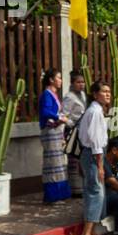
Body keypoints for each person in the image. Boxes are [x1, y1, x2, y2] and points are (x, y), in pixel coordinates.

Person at [77, 81, 113, 235]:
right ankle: (86, 234)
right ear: (95, 94)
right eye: (104, 91)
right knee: (95, 192)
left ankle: (94, 229)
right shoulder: (95, 112)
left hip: (94, 154)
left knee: (97, 191)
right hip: (93, 155)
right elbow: (95, 141)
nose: (107, 94)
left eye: (109, 92)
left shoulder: (96, 111)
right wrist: (100, 165)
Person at [38, 68, 71, 201]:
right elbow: (45, 112)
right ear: (51, 80)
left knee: (58, 163)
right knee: (53, 164)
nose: (61, 81)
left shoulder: (53, 94)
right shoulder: (47, 94)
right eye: (59, 78)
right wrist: (59, 117)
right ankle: (52, 196)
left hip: (56, 132)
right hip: (50, 132)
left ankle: (60, 194)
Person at [62, 70, 87, 196]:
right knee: (73, 159)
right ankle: (75, 188)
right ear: (72, 83)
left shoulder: (83, 95)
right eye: (78, 82)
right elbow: (64, 115)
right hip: (72, 131)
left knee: (82, 159)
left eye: (83, 82)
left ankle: (82, 186)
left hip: (82, 131)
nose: (81, 85)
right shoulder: (69, 97)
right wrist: (72, 124)